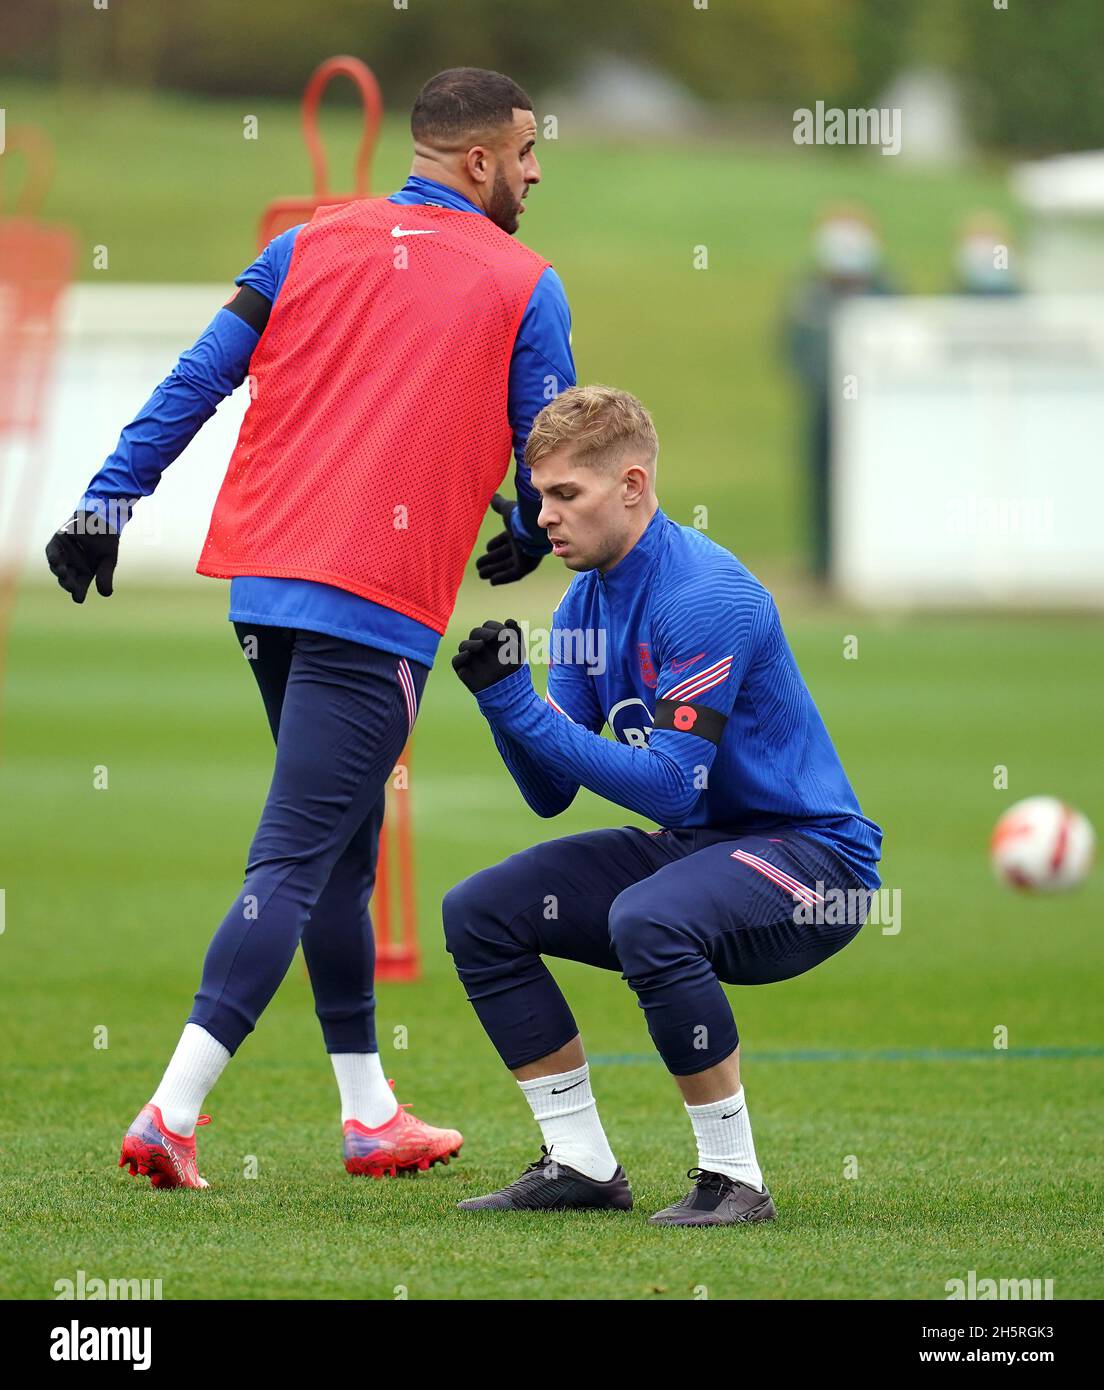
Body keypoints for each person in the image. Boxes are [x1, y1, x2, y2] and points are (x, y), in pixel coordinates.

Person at [44, 67, 576, 1188]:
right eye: (528, 155)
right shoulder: (528, 281)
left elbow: (201, 376)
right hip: (372, 602)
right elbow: (551, 447)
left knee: (341, 845)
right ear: (478, 161)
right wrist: (530, 530)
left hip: (265, 588)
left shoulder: (307, 244)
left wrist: (105, 502)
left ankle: (368, 1108)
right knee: (297, 849)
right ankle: (172, 1111)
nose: (536, 175)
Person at [445, 385, 882, 1225]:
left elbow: (670, 784)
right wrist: (505, 702)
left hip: (818, 862)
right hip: (703, 848)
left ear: (634, 486)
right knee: (481, 912)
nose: (544, 520)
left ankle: (735, 1179)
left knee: (649, 919)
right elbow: (549, 793)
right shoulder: (581, 604)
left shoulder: (707, 595)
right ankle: (578, 1163)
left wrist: (524, 709)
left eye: (566, 495)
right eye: (539, 496)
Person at [782, 204, 895, 580]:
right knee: (822, 482)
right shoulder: (809, 293)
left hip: (878, 413)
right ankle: (823, 565)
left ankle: (874, 562)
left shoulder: (886, 292)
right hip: (824, 406)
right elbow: (793, 346)